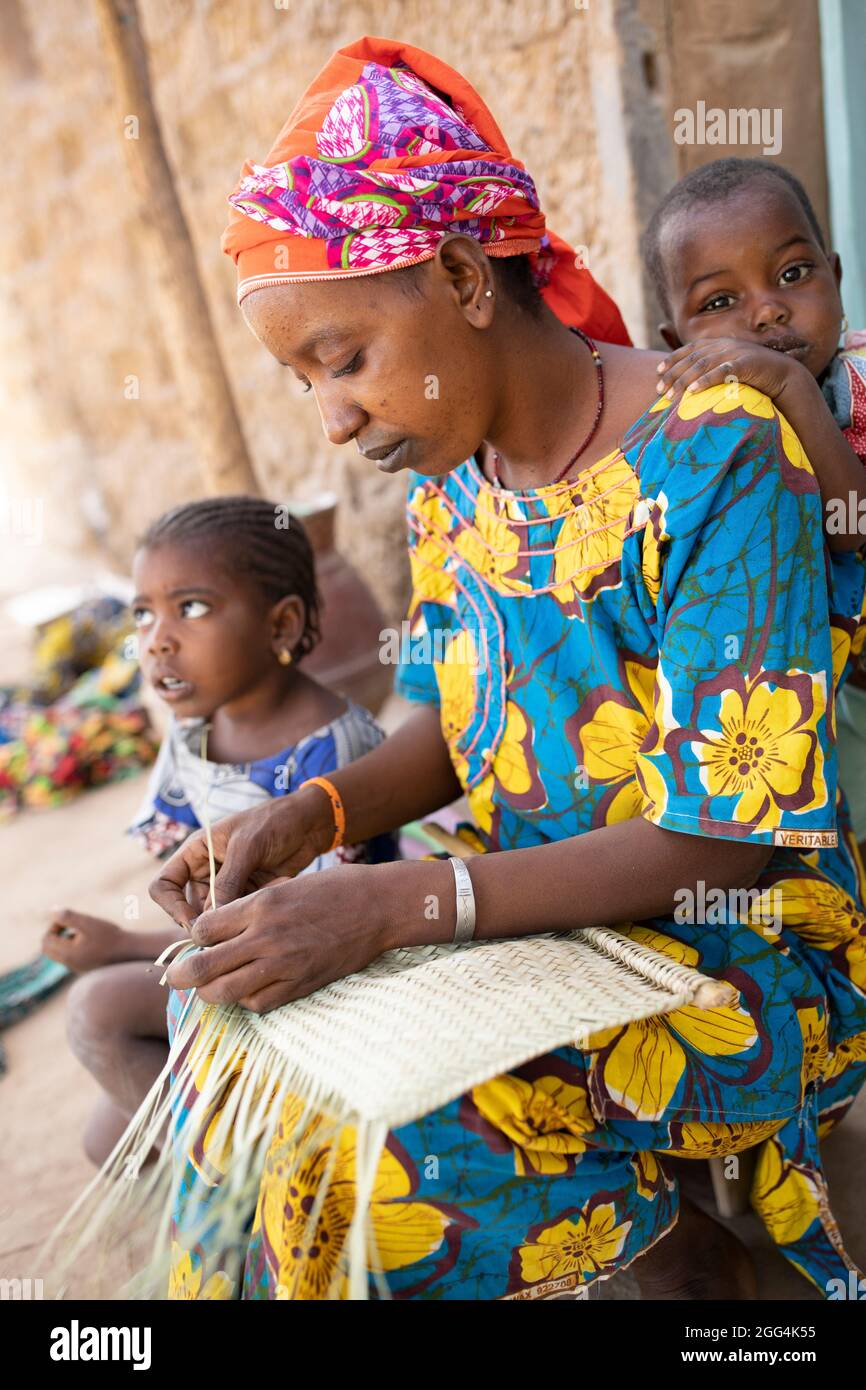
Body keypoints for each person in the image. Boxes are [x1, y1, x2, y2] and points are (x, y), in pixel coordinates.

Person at [150, 37, 866, 1301]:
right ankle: (657, 1254)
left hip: (738, 943)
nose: (332, 416)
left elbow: (719, 842)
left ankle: (697, 1270)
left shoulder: (715, 453)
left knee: (394, 1153)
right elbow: (451, 724)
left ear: (469, 277)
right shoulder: (453, 488)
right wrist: (304, 817)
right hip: (530, 911)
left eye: (343, 355)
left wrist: (391, 907)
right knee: (257, 1071)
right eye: (305, 376)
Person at [42, 495, 395, 1166]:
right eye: (143, 613)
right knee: (109, 1142)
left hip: (325, 976)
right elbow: (203, 905)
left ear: (282, 624)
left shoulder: (330, 751)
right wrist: (129, 944)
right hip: (230, 958)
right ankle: (232, 1155)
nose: (156, 639)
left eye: (192, 608)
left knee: (98, 1013)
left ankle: (248, 1193)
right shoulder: (194, 734)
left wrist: (121, 947)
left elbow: (291, 929)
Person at [642, 156, 866, 857]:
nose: (767, 310)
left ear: (835, 274)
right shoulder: (701, 425)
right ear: (678, 345)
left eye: (794, 275)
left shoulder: (856, 381)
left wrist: (793, 388)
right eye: (719, 302)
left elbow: (849, 529)